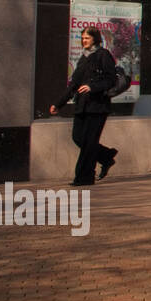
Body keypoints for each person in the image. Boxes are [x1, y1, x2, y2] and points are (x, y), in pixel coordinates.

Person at [49, 27, 119, 185]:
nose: (84, 41)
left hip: (97, 106)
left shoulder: (103, 55)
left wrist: (92, 87)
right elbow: (73, 85)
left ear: (95, 39)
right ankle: (106, 156)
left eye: (87, 38)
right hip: (82, 106)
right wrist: (58, 104)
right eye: (82, 38)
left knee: (89, 142)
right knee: (78, 137)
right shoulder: (83, 58)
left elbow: (111, 80)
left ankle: (84, 177)